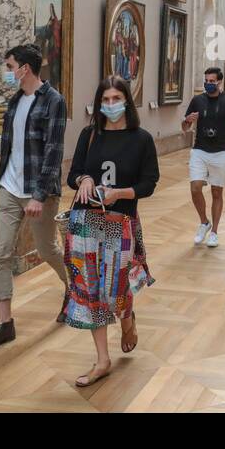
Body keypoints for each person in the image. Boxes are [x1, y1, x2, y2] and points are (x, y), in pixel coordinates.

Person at [64, 75, 159, 387]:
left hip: (121, 224)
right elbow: (74, 174)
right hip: (86, 224)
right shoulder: (90, 135)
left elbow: (149, 183)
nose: (110, 105)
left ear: (127, 101)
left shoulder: (141, 138)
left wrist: (120, 194)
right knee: (93, 291)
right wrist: (84, 180)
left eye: (116, 99)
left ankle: (127, 317)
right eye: (105, 100)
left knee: (116, 291)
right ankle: (102, 359)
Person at [0, 44, 68, 353]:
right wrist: (3, 183)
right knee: (1, 254)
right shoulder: (14, 101)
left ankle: (74, 289)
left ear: (24, 68)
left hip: (38, 192)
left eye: (9, 65)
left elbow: (54, 152)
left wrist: (39, 195)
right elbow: (12, 147)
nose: (7, 71)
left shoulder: (54, 102)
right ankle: (5, 324)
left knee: (47, 250)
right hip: (9, 188)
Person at [182, 66, 225, 248]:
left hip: (221, 152)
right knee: (195, 188)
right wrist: (188, 121)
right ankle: (204, 222)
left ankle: (214, 232)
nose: (209, 84)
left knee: (217, 192)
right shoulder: (197, 100)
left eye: (212, 81)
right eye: (207, 81)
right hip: (200, 151)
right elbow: (184, 128)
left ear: (220, 82)